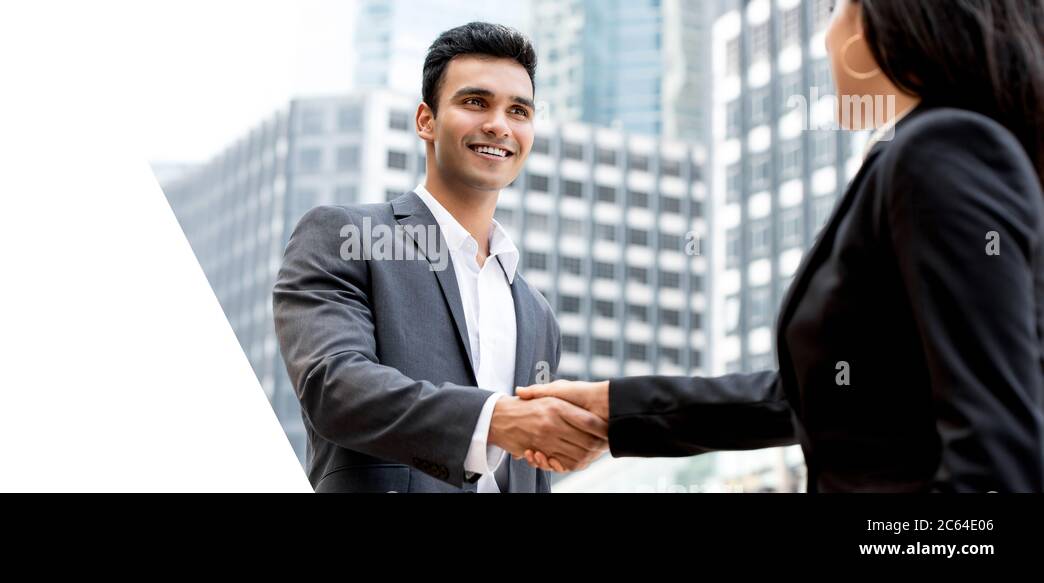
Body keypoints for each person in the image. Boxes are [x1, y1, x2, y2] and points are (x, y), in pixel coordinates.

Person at [519, 0, 1044, 492]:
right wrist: (617, 410)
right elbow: (837, 395)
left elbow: (997, 458)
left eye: (836, 7)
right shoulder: (945, 152)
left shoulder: (943, 150)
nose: (826, 33)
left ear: (878, 17)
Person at [273, 22, 607, 493]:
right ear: (426, 120)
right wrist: (493, 420)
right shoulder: (345, 236)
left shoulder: (538, 314)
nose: (499, 124)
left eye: (519, 110)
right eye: (475, 102)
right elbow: (335, 387)